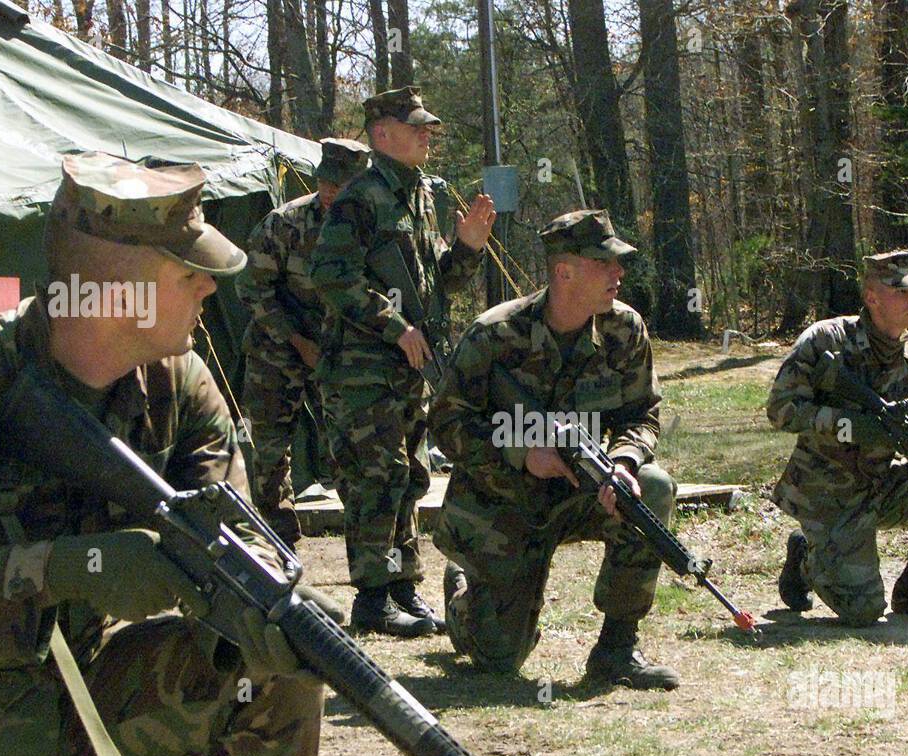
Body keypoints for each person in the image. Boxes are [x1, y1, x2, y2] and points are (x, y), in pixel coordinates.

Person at [0, 152, 339, 756]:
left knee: (277, 672)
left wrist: (262, 605)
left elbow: (229, 528)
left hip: (79, 697)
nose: (207, 283)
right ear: (116, 287)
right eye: (185, 268)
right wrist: (72, 569)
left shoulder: (183, 386)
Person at [431, 210, 680, 691]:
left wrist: (624, 464)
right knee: (498, 659)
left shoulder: (623, 330)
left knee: (650, 489)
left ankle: (617, 649)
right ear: (564, 272)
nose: (618, 274)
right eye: (605, 264)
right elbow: (445, 424)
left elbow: (642, 414)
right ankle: (464, 591)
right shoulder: (494, 334)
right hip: (501, 502)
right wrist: (522, 454)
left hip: (580, 491)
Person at [310, 86, 495, 637]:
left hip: (408, 367)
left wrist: (466, 249)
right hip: (363, 369)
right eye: (415, 127)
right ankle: (371, 598)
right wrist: (394, 327)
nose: (426, 134)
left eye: (427, 127)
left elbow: (438, 284)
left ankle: (402, 587)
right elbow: (332, 276)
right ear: (381, 133)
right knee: (376, 476)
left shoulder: (419, 195)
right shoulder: (360, 198)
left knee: (411, 474)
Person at [767, 249, 908, 628]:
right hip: (825, 493)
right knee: (864, 612)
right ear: (871, 297)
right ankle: (804, 557)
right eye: (902, 292)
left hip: (880, 484)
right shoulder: (826, 341)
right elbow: (781, 409)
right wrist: (847, 424)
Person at [237, 137, 370, 544]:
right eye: (325, 182)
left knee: (352, 444)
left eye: (340, 184)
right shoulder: (285, 223)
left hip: (340, 349)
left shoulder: (373, 229)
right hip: (277, 346)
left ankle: (367, 541)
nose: (330, 192)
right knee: (270, 446)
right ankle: (275, 538)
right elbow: (251, 287)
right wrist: (295, 340)